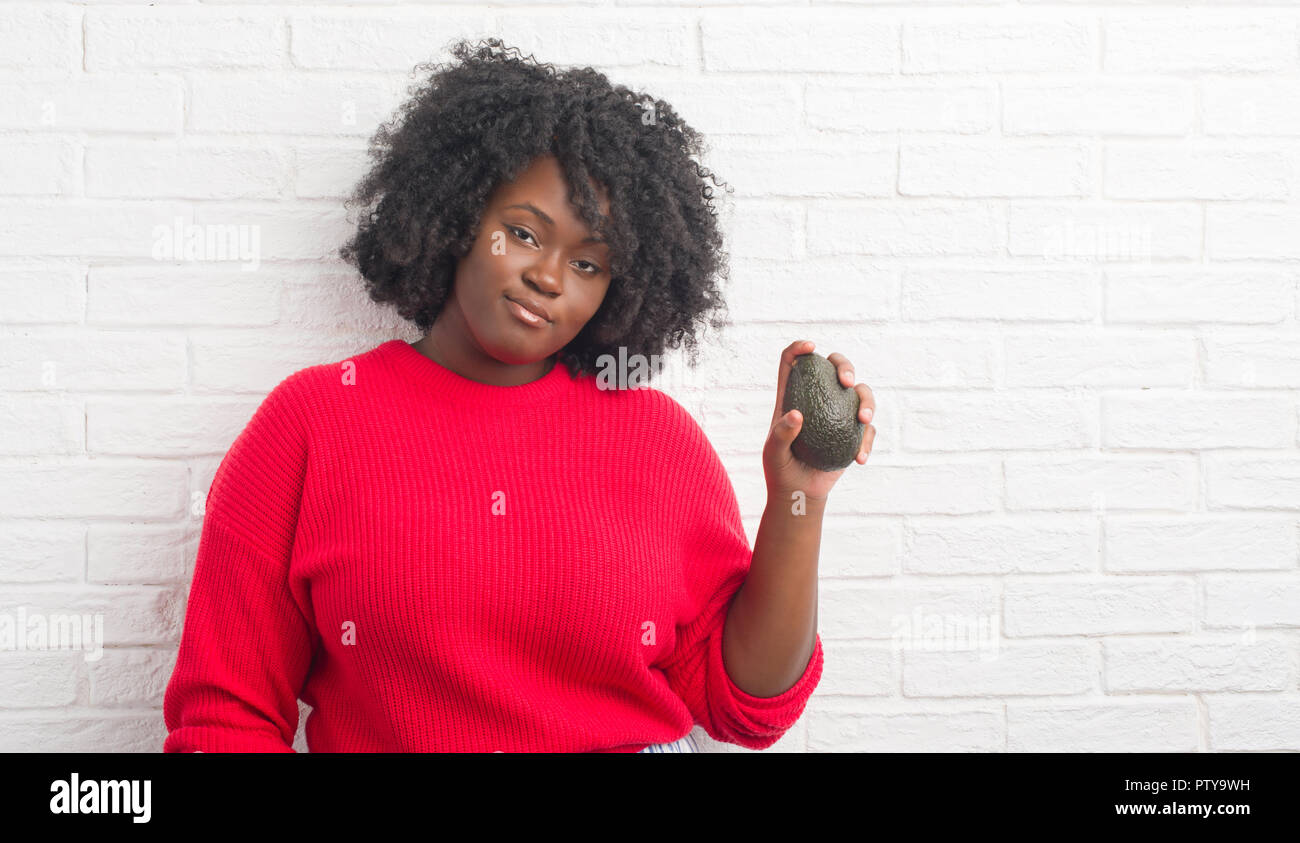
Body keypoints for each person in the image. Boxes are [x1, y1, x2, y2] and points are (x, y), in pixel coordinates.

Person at [163, 37, 867, 753]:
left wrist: (797, 500)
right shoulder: (311, 424)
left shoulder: (657, 438)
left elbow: (747, 707)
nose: (550, 277)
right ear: (460, 214)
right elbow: (226, 717)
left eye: (588, 262)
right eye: (524, 233)